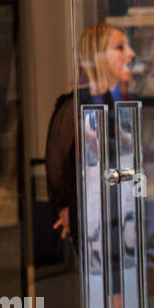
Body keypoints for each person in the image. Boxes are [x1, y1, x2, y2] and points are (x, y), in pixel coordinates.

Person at [46, 24, 136, 243]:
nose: (131, 53)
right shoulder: (77, 104)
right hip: (97, 221)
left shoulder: (125, 102)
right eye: (120, 47)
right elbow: (58, 165)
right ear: (98, 55)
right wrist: (68, 207)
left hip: (127, 214)